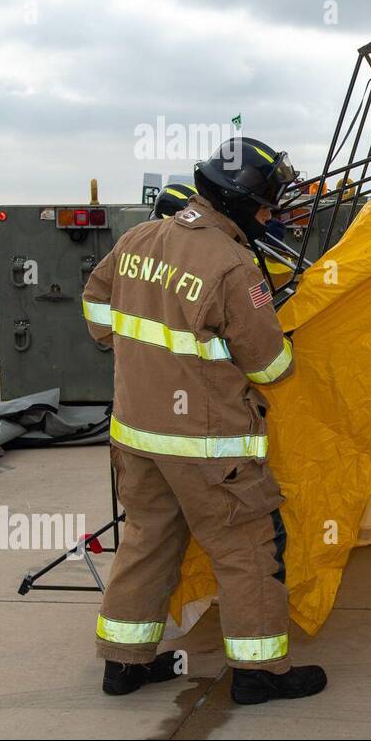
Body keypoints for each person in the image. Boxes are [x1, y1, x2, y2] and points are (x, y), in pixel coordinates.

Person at [82, 137, 326, 705]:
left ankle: (124, 665)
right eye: (267, 205)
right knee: (245, 552)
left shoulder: (138, 238)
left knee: (146, 541)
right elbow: (270, 367)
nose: (270, 216)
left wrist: (137, 352)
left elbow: (97, 312)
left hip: (136, 437)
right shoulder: (236, 266)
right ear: (241, 202)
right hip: (208, 447)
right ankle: (260, 673)